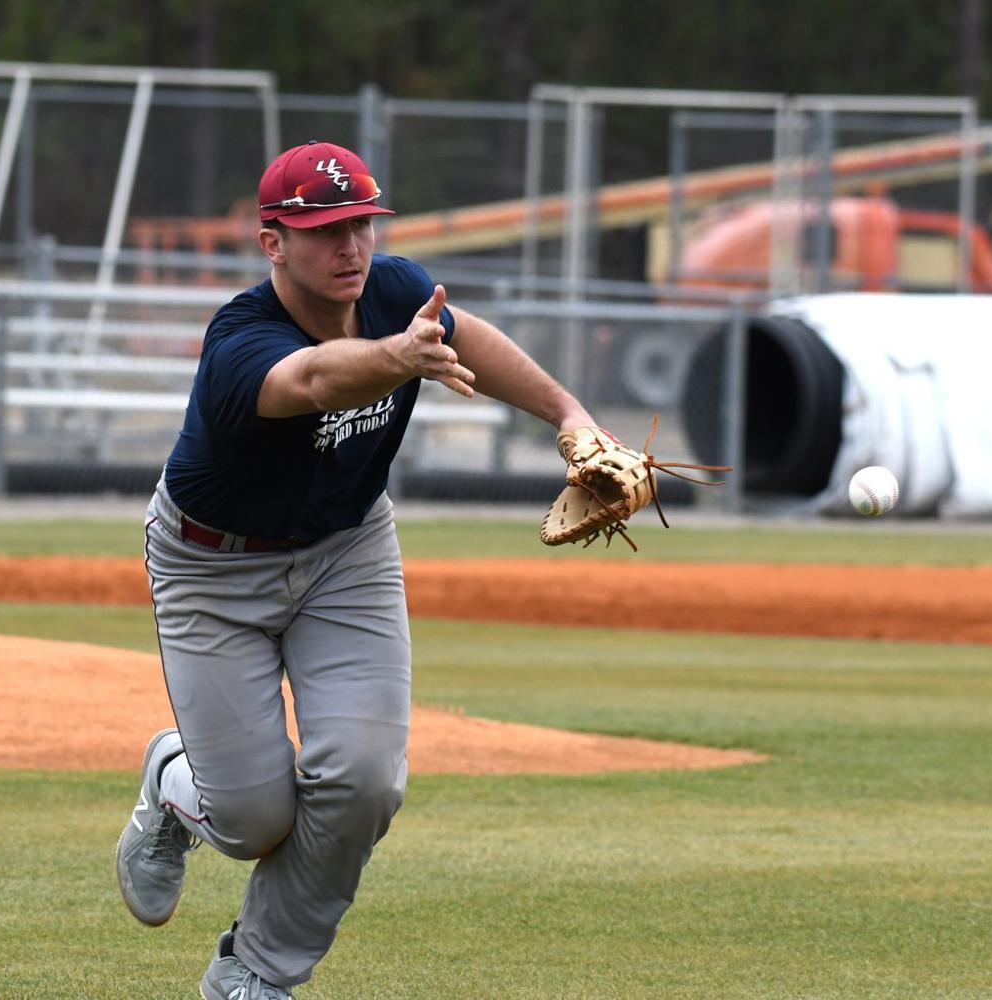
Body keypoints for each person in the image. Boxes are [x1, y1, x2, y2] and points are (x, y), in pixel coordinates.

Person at [115, 139, 597, 999]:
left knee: (365, 781)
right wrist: (398, 358)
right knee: (253, 820)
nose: (351, 247)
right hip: (213, 571)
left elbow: (468, 338)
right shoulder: (237, 341)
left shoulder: (398, 293)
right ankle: (173, 779)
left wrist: (569, 415)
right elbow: (304, 381)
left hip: (347, 551)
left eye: (363, 225)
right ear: (272, 241)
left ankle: (256, 974)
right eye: (326, 229)